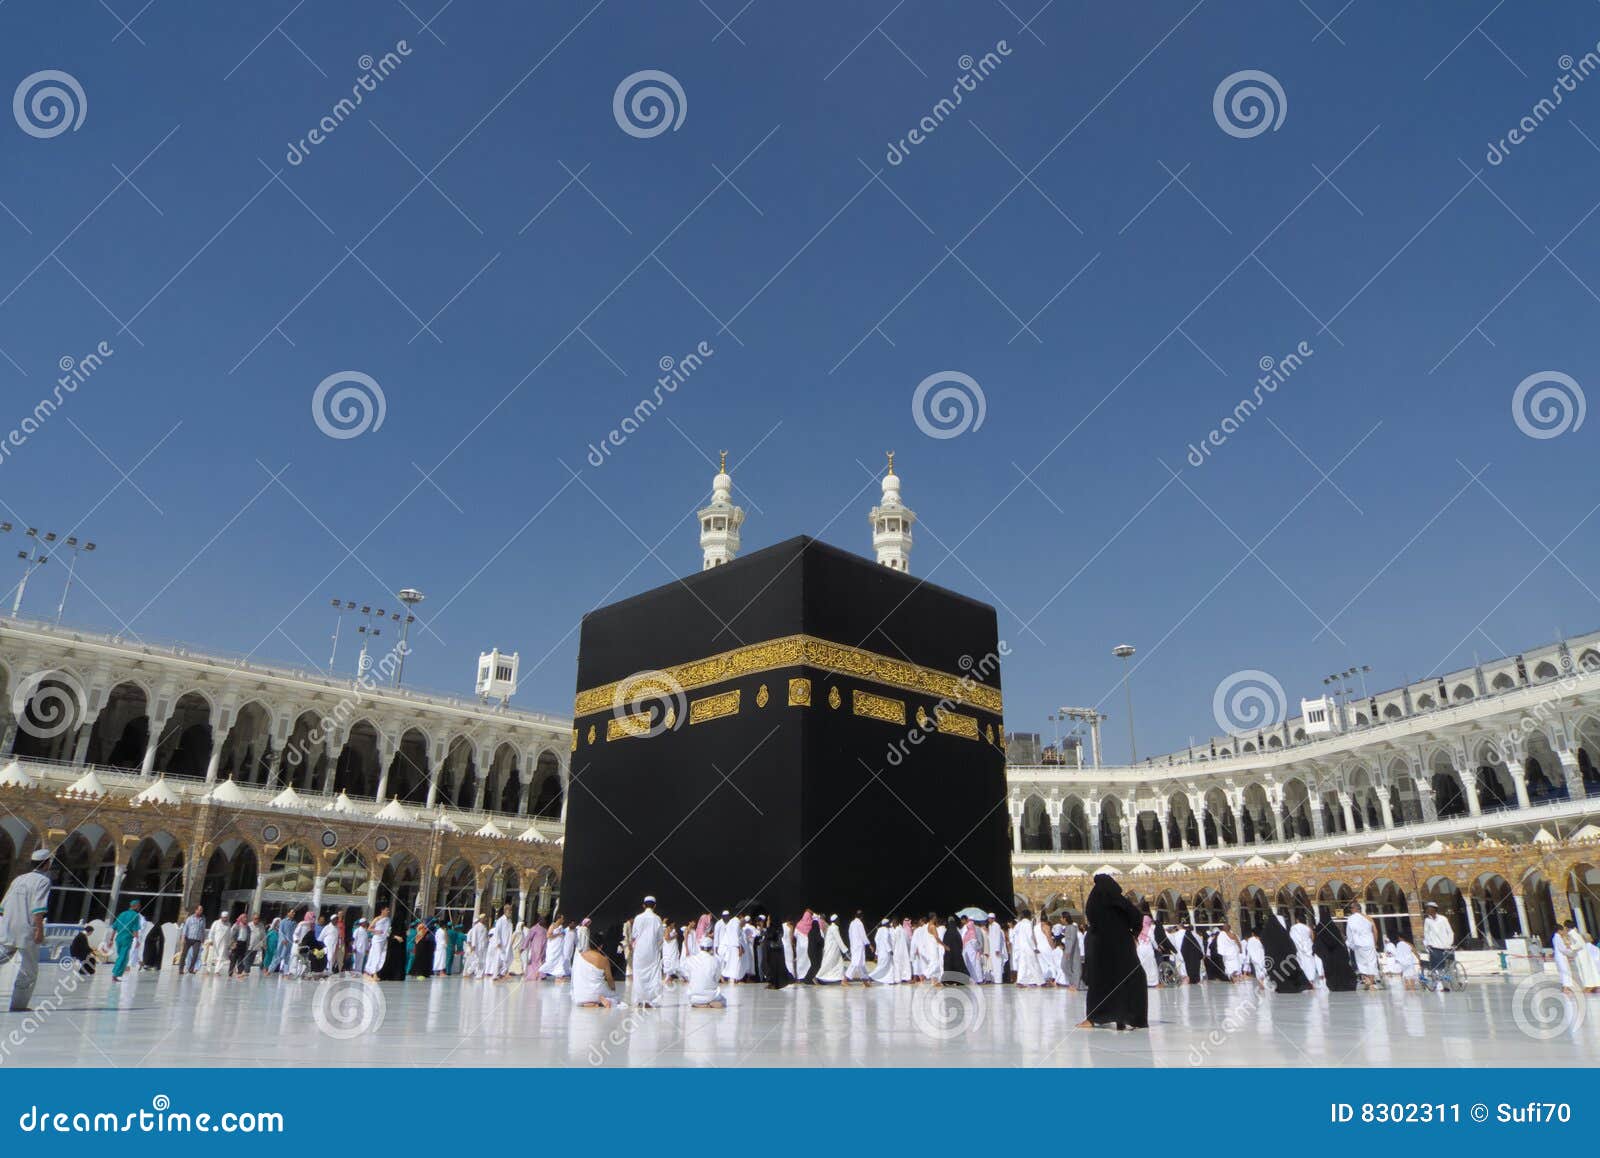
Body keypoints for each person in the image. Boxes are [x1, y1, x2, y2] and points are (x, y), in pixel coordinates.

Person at [1080, 873, 1146, 1030]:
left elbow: (1092, 919)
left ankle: (1094, 1018)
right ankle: (1127, 1017)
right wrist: (1133, 934)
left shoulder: (1095, 901)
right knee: (1126, 980)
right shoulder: (1121, 901)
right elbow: (1137, 917)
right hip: (1123, 946)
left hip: (1101, 947)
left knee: (1100, 982)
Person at [0, 848, 52, 1010]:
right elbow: (38, 908)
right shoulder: (43, 881)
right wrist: (39, 930)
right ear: (46, 864)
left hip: (8, 927)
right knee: (29, 969)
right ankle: (18, 1005)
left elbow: (2, 907)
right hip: (26, 929)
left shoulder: (19, 879)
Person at [629, 896, 664, 1006]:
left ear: (643, 905)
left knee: (639, 974)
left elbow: (634, 935)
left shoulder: (638, 918)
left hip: (640, 950)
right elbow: (660, 937)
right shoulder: (657, 919)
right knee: (653, 975)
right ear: (655, 906)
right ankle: (650, 1000)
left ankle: (639, 999)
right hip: (652, 950)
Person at [1314, 916, 1359, 992]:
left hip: (1328, 958)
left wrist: (1323, 954)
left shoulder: (1320, 929)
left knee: (1331, 970)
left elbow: (1317, 945)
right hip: (1339, 956)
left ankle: (1333, 985)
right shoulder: (1334, 930)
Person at [571, 938, 617, 1009]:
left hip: (579, 996)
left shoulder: (580, 955)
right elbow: (609, 979)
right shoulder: (603, 959)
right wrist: (613, 989)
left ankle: (589, 1003)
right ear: (601, 946)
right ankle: (603, 1001)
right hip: (596, 995)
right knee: (616, 998)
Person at [1344, 902, 1380, 990]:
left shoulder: (1351, 919)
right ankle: (1371, 983)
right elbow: (1375, 931)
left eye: (1351, 909)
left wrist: (1350, 944)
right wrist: (1375, 943)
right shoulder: (1368, 918)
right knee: (1371, 962)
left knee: (1361, 963)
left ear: (1354, 909)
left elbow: (1349, 933)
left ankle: (1367, 981)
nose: (1351, 911)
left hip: (1358, 944)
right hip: (1369, 943)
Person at [1421, 902, 1455, 987]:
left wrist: (1449, 943)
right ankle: (1441, 985)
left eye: (1429, 908)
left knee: (1449, 966)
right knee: (1438, 967)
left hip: (1445, 946)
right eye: (1427, 909)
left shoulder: (1443, 919)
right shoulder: (1427, 920)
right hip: (1434, 947)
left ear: (1434, 909)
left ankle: (1451, 983)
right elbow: (1426, 933)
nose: (1427, 910)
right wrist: (1427, 944)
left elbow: (1450, 932)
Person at [687, 936, 726, 1007]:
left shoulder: (691, 959)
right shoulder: (715, 961)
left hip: (694, 996)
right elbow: (717, 978)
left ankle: (700, 1005)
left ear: (700, 947)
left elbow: (688, 976)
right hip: (711, 996)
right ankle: (708, 1004)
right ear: (711, 948)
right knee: (723, 1001)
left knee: (692, 998)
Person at [111, 899, 144, 982]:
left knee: (120, 956)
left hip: (118, 938)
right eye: (139, 906)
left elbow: (114, 927)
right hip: (127, 939)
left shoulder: (122, 914)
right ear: (135, 906)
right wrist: (137, 940)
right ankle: (115, 974)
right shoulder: (135, 916)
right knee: (123, 957)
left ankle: (116, 974)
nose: (139, 907)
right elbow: (135, 929)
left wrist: (111, 939)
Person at [816, 914, 848, 984]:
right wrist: (845, 949)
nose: (839, 921)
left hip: (833, 949)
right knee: (828, 963)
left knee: (839, 964)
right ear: (836, 920)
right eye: (838, 920)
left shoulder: (831, 927)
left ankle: (842, 979)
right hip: (832, 949)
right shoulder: (834, 928)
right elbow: (838, 939)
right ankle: (818, 976)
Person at [365, 906, 392, 978]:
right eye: (387, 910)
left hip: (384, 939)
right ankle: (374, 973)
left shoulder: (388, 919)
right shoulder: (377, 919)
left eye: (388, 910)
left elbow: (388, 929)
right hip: (377, 939)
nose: (388, 912)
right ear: (382, 910)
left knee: (382, 955)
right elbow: (369, 929)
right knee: (376, 955)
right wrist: (377, 931)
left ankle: (372, 971)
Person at [1134, 914, 1159, 987]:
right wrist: (1157, 947)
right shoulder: (1149, 929)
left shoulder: (1139, 928)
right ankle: (1152, 982)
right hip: (1147, 948)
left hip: (1140, 949)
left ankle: (1144, 981)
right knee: (1151, 965)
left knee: (1143, 965)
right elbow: (1153, 940)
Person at [179, 906, 205, 974]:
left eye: (201, 910)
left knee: (195, 954)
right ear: (195, 910)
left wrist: (203, 938)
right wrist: (183, 937)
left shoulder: (203, 919)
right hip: (188, 938)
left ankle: (191, 968)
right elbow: (185, 928)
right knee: (184, 954)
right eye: (199, 910)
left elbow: (203, 930)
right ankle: (181, 969)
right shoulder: (190, 918)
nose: (200, 911)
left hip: (197, 940)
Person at [846, 911, 870, 982]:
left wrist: (852, 944)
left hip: (854, 946)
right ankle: (845, 979)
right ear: (861, 916)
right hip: (858, 946)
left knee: (861, 963)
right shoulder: (859, 923)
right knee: (855, 962)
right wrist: (869, 944)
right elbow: (863, 935)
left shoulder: (852, 923)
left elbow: (849, 934)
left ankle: (865, 980)